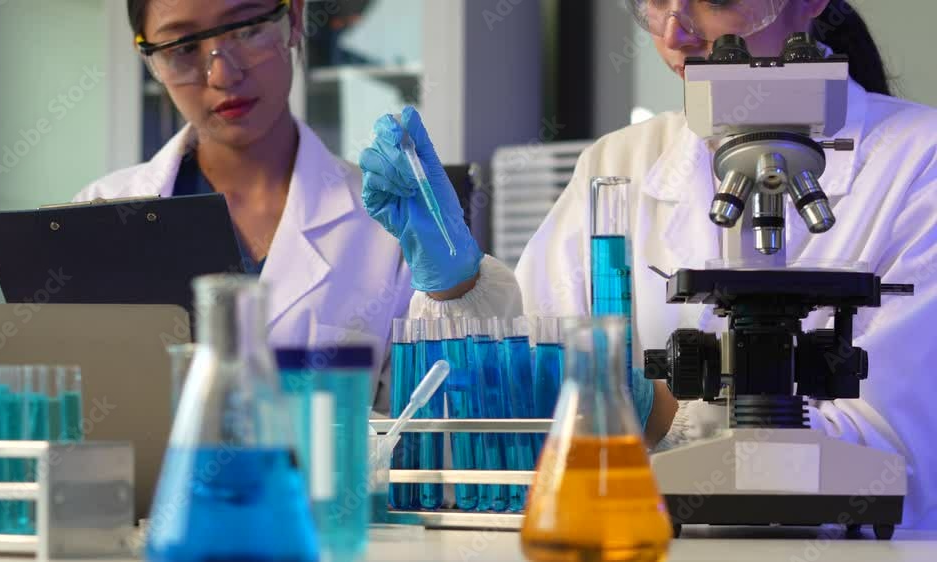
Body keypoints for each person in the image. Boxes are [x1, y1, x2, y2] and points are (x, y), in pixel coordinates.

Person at [360, 0, 937, 528]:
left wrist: (651, 410)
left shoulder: (919, 159)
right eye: (654, 2)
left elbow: (901, 456)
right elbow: (522, 402)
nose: (674, 32)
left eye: (713, 0)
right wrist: (459, 287)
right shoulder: (619, 163)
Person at [72, 0, 487, 411]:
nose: (222, 74)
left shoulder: (388, 226)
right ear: (150, 61)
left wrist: (455, 291)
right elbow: (70, 415)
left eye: (247, 29)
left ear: (292, 18)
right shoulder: (96, 213)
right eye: (182, 48)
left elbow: (437, 431)